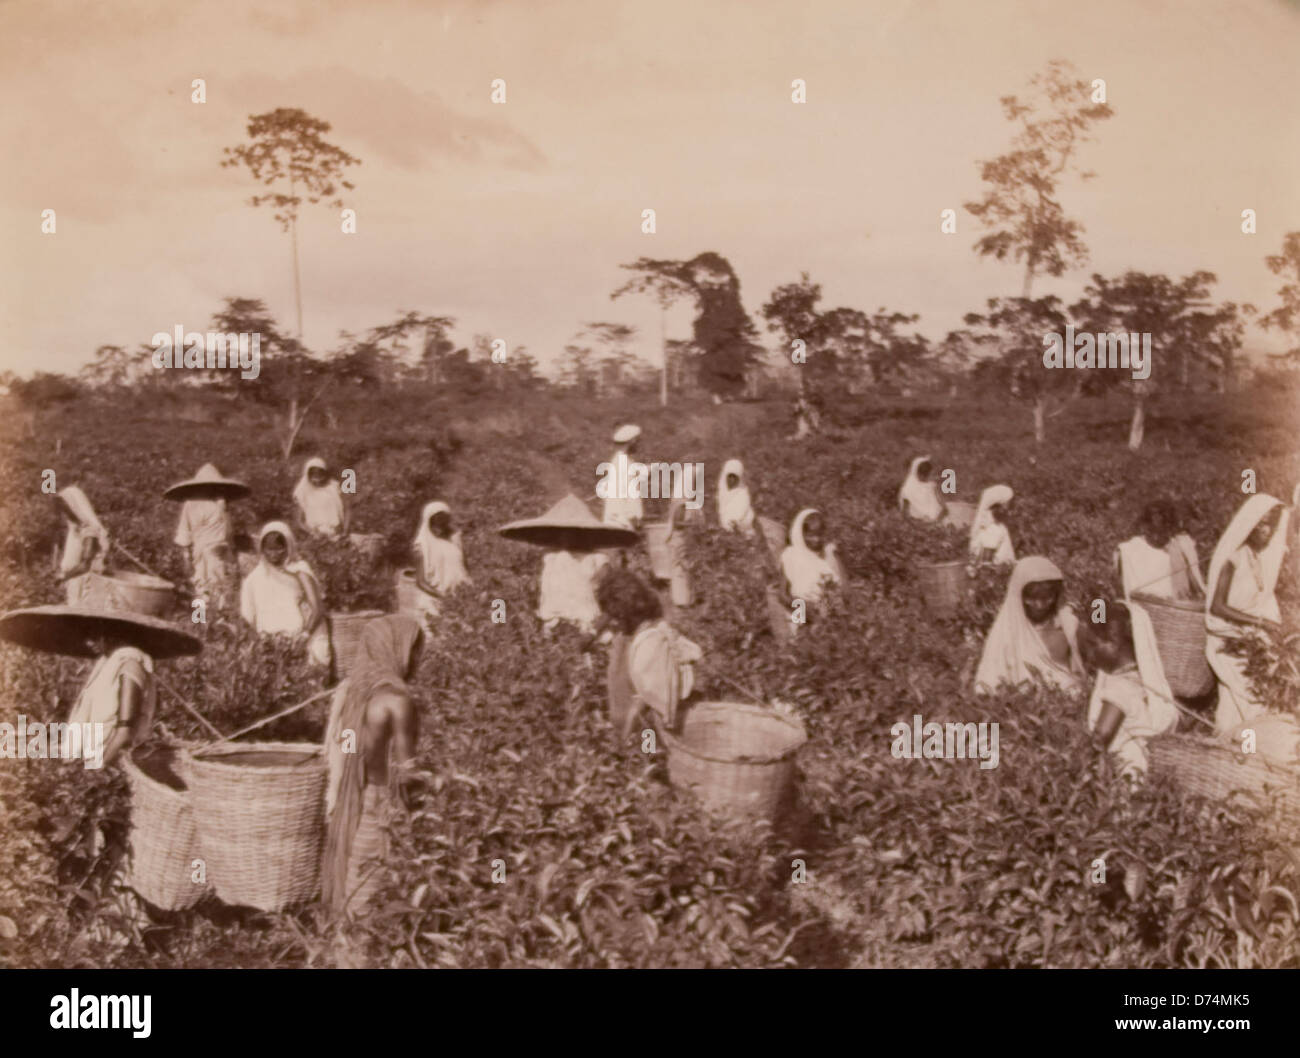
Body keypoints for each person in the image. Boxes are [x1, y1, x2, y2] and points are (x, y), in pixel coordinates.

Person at [0, 604, 201, 768]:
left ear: (113, 633)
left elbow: (125, 732)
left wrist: (97, 769)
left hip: (111, 764)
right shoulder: (110, 662)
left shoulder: (131, 663)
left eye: (94, 635)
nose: (88, 642)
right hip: (91, 760)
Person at [322, 615, 423, 917]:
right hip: (385, 803)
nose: (417, 658)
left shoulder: (353, 691)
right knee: (383, 888)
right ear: (396, 648)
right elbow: (408, 772)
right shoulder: (397, 701)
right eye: (414, 649)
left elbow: (347, 746)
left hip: (357, 799)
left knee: (357, 881)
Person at [1205, 494, 1296, 760]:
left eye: (1271, 525)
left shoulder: (1256, 557)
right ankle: (1243, 752)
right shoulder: (1232, 558)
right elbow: (1216, 607)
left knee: (1237, 701)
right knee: (1248, 696)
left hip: (1246, 639)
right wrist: (1260, 622)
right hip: (1225, 639)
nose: (1266, 531)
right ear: (1249, 524)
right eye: (1262, 524)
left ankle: (1230, 752)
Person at [596, 568, 702, 743]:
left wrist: (623, 744)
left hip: (643, 731)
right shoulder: (628, 631)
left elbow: (644, 706)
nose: (612, 622)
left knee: (647, 753)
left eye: (616, 617)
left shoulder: (649, 646)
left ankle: (648, 759)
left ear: (627, 613)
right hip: (623, 722)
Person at [1080, 602, 1177, 780]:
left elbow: (1101, 737)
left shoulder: (1119, 688)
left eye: (1094, 645)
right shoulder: (1139, 679)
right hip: (1137, 768)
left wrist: (1077, 771)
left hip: (1122, 773)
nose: (1090, 653)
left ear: (1115, 643)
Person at [975, 556, 1084, 694]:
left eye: (1047, 597)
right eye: (1032, 598)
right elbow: (989, 678)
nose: (1040, 605)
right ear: (1019, 596)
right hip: (1026, 700)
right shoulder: (1006, 630)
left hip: (1068, 696)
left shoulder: (1067, 622)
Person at [239, 521, 330, 666]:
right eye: (269, 549)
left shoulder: (299, 570)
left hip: (306, 638)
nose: (273, 554)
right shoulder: (254, 578)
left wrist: (304, 636)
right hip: (273, 644)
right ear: (262, 549)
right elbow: (247, 617)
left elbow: (317, 608)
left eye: (279, 549)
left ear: (288, 547)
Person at [172, 464, 238, 608]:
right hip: (212, 550)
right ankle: (212, 620)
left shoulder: (193, 503)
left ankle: (203, 621)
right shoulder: (219, 503)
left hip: (207, 550)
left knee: (203, 585)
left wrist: (186, 555)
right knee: (214, 585)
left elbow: (184, 531)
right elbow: (227, 532)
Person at [1116, 500, 1205, 601]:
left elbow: (1196, 587)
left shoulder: (1178, 548)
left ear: (1170, 529)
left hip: (1173, 607)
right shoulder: (1129, 550)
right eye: (1153, 531)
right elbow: (1121, 589)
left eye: (1165, 531)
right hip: (1140, 606)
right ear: (1145, 527)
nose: (1157, 537)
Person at [411, 501, 471, 625]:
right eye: (437, 521)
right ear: (429, 521)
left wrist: (468, 590)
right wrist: (442, 597)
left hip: (458, 599)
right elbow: (420, 581)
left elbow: (465, 569)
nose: (440, 526)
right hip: (433, 602)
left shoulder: (455, 541)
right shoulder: (422, 546)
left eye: (444, 520)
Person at [539, 529, 610, 634]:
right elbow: (546, 590)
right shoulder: (552, 558)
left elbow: (606, 589)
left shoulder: (597, 559)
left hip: (586, 624)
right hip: (555, 621)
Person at [56, 486, 110, 604]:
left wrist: (62, 578)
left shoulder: (89, 531)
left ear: (75, 506)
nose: (66, 513)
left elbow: (85, 565)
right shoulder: (78, 528)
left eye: (67, 508)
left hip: (84, 587)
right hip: (74, 583)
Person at [780, 508, 844, 608]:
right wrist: (806, 612)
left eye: (820, 535)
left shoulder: (829, 553)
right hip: (798, 609)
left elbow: (845, 588)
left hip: (831, 610)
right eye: (811, 536)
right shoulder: (790, 556)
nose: (816, 540)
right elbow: (783, 595)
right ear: (801, 534)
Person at [293, 457, 348, 539]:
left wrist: (345, 530)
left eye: (320, 474)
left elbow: (347, 509)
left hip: (337, 533)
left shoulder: (334, 487)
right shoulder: (303, 491)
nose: (317, 479)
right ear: (308, 475)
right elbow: (299, 521)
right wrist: (312, 532)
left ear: (324, 474)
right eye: (314, 475)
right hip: (315, 535)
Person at [602, 424, 643, 530]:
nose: (638, 445)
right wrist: (633, 516)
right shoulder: (622, 462)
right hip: (621, 521)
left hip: (621, 519)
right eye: (637, 441)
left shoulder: (624, 460)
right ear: (631, 442)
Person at [969, 485, 1015, 566]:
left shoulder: (997, 526)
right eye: (1007, 505)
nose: (1008, 511)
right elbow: (986, 563)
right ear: (998, 507)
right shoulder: (992, 529)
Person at [898, 456, 945, 523]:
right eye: (923, 475)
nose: (926, 478)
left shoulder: (931, 486)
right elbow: (905, 514)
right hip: (916, 523)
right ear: (917, 473)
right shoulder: (908, 489)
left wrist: (936, 521)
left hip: (935, 521)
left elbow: (943, 507)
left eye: (928, 475)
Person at [717, 459, 756, 535]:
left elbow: (740, 511)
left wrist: (733, 521)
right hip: (726, 528)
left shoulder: (742, 494)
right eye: (729, 476)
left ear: (739, 478)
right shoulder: (722, 491)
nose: (731, 480)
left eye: (734, 477)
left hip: (741, 529)